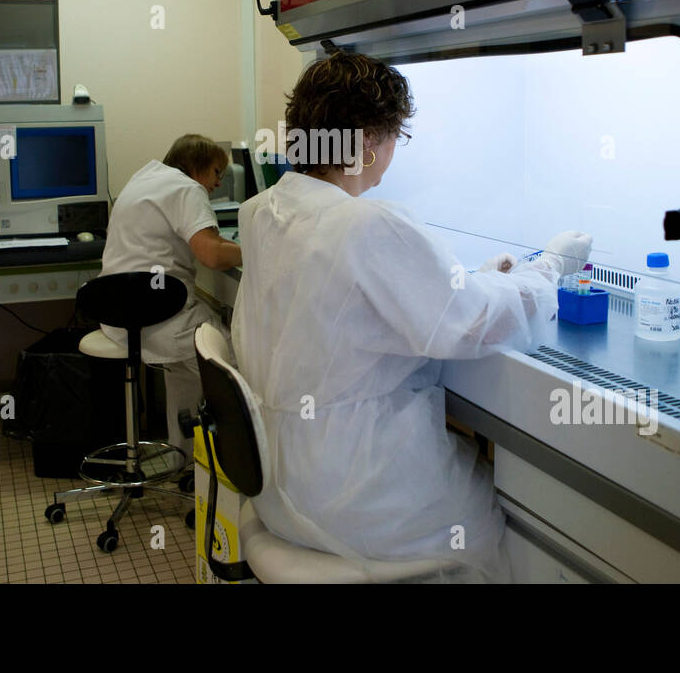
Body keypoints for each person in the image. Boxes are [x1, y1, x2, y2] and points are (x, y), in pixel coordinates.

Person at [232, 51, 591, 582]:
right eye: (395, 136)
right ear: (370, 140)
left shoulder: (262, 212)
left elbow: (374, 304)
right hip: (353, 494)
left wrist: (486, 274)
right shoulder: (362, 223)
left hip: (278, 486)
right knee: (492, 512)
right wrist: (549, 270)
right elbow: (475, 323)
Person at [98, 134, 241, 468]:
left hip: (119, 316)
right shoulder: (187, 188)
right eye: (216, 173)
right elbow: (211, 254)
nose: (218, 183)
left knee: (184, 370)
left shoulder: (144, 177)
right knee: (231, 360)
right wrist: (260, 246)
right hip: (156, 318)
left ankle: (185, 460)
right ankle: (233, 474)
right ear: (197, 165)